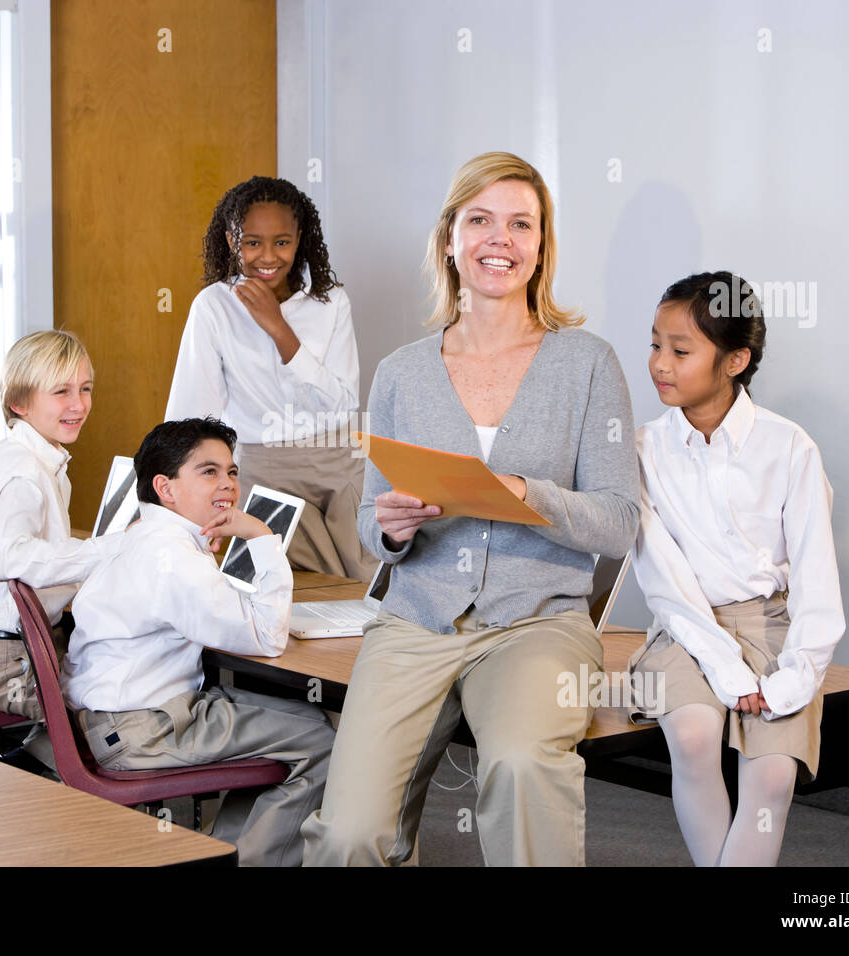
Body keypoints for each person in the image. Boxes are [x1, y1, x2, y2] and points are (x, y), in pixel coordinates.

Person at [301, 152, 640, 866]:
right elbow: (370, 523)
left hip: (538, 622)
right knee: (350, 832)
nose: (501, 239)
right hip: (416, 620)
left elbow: (619, 521)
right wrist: (389, 530)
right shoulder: (401, 373)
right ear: (449, 238)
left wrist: (527, 493)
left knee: (519, 768)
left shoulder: (587, 363)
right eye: (481, 220)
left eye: (522, 224)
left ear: (541, 246)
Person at [629, 271, 845, 866]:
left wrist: (797, 675)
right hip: (686, 627)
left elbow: (816, 582)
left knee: (772, 777)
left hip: (775, 627)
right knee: (694, 738)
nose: (659, 364)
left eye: (680, 350)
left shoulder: (790, 447)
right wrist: (724, 666)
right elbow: (665, 582)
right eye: (654, 344)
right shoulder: (642, 450)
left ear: (735, 360)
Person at [62, 417, 334, 866]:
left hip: (110, 718)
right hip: (142, 730)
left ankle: (224, 853)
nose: (228, 484)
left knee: (305, 717)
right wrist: (261, 536)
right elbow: (267, 637)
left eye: (231, 472)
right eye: (209, 472)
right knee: (320, 741)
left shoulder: (143, 538)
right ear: (166, 488)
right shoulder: (172, 558)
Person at [165, 176, 375, 581]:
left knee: (362, 584)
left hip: (337, 462)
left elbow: (344, 402)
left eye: (282, 242)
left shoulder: (331, 302)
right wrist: (185, 496)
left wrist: (279, 329)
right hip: (259, 465)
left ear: (300, 239)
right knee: (271, 582)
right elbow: (192, 412)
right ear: (231, 241)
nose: (268, 256)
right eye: (252, 242)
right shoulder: (213, 307)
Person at [0, 330, 118, 770]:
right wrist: (111, 548)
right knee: (120, 714)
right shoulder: (21, 473)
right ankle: (35, 778)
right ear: (19, 402)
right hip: (3, 665)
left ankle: (33, 766)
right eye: (61, 392)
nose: (78, 405)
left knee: (113, 683)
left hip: (7, 651)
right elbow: (11, 559)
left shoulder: (35, 461)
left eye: (85, 389)